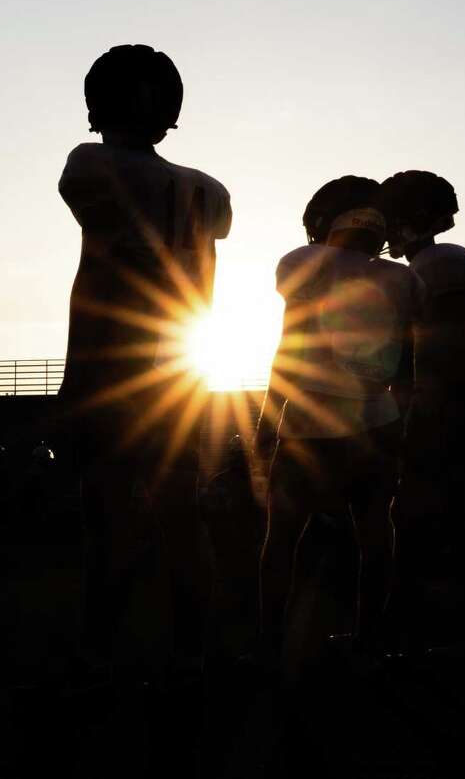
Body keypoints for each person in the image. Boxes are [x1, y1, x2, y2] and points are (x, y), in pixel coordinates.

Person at [57, 44, 231, 682]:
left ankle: (100, 650)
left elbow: (104, 259)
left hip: (113, 363)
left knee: (106, 515)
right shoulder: (208, 190)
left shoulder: (90, 163)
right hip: (181, 363)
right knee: (181, 513)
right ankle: (193, 651)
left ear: (98, 104)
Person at [255, 177, 417, 669]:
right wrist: (401, 422)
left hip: (311, 419)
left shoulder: (303, 263)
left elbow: (294, 344)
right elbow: (406, 361)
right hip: (377, 417)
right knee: (374, 532)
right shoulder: (402, 279)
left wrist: (268, 416)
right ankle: (370, 641)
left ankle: (268, 642)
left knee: (283, 535)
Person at [378, 169, 465, 651]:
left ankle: (430, 626)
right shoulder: (435, 261)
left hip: (441, 400)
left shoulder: (441, 259)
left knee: (429, 512)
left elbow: (443, 340)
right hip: (446, 397)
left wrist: (419, 401)